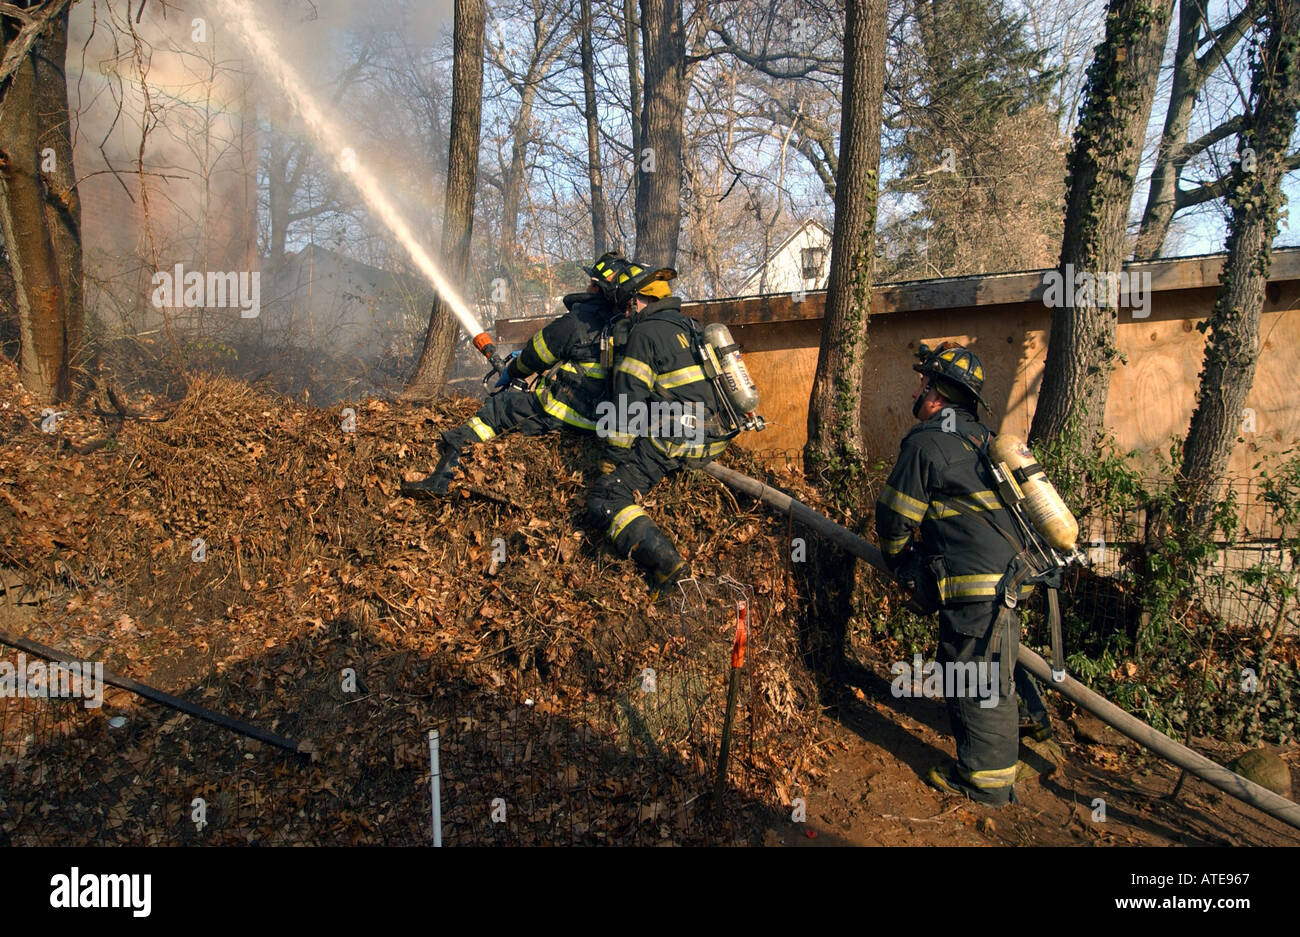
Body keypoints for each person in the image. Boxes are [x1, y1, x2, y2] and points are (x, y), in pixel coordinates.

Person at [874, 342, 1035, 807]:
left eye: (923, 381)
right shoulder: (983, 439)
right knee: (991, 672)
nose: (916, 389)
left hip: (975, 587)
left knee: (973, 675)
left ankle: (984, 781)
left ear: (937, 391)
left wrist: (902, 564)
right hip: (1008, 577)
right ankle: (1005, 757)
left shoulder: (926, 442)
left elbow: (894, 516)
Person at [402, 252, 630, 497]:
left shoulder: (579, 321)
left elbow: (535, 354)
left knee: (499, 407)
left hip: (571, 414)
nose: (587, 286)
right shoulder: (624, 323)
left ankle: (444, 476)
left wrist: (511, 371)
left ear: (597, 287)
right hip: (603, 417)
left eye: (591, 282)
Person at [585, 261, 731, 599]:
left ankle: (667, 567)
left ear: (638, 300)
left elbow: (626, 408)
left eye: (627, 304)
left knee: (607, 496)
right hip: (716, 437)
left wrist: (611, 463)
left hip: (683, 435)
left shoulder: (644, 334)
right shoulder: (690, 325)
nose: (625, 311)